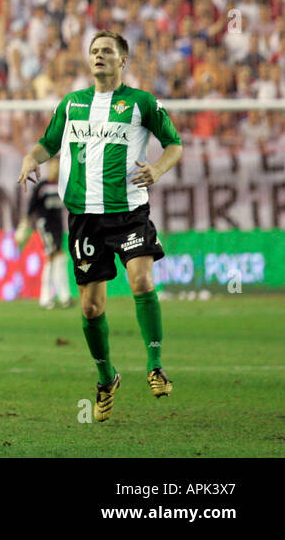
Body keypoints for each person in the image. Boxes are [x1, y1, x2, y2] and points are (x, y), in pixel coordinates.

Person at [17, 30, 183, 422]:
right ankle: (106, 378)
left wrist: (157, 168)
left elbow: (175, 144)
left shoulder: (142, 103)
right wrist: (30, 158)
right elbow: (48, 143)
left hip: (128, 211)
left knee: (142, 281)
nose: (98, 56)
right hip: (84, 217)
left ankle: (155, 365)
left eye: (107, 51)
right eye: (94, 51)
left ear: (123, 60)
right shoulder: (72, 104)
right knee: (91, 307)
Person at [15, 154, 71, 309]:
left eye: (58, 165)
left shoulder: (63, 185)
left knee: (59, 258)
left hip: (58, 226)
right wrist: (24, 226)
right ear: (49, 166)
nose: (56, 168)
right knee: (52, 257)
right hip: (45, 225)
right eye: (53, 165)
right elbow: (31, 209)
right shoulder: (42, 186)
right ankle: (45, 297)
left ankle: (64, 296)